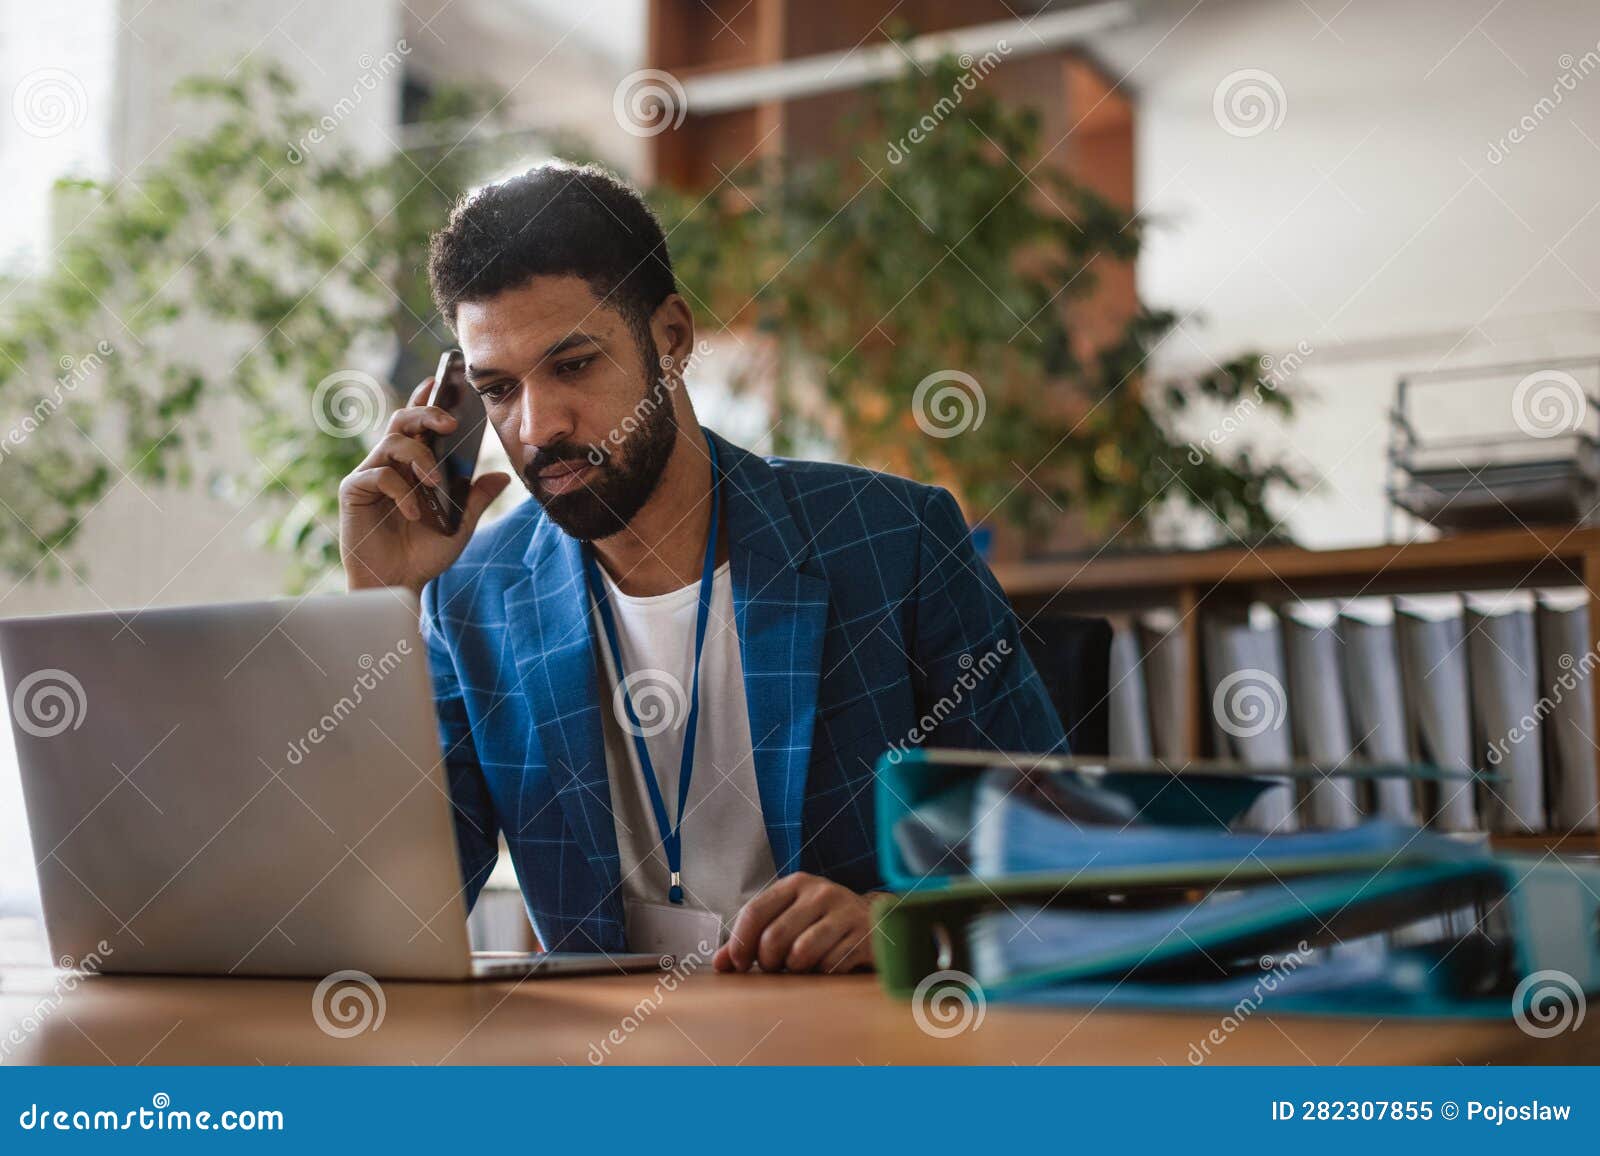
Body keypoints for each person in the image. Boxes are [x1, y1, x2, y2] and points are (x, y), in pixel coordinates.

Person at [337, 162, 1066, 973]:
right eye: (499, 389)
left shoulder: (895, 541)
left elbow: (1056, 851)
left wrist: (898, 920)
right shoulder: (473, 601)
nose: (538, 426)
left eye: (573, 365)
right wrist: (382, 611)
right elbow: (392, 914)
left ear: (673, 339)